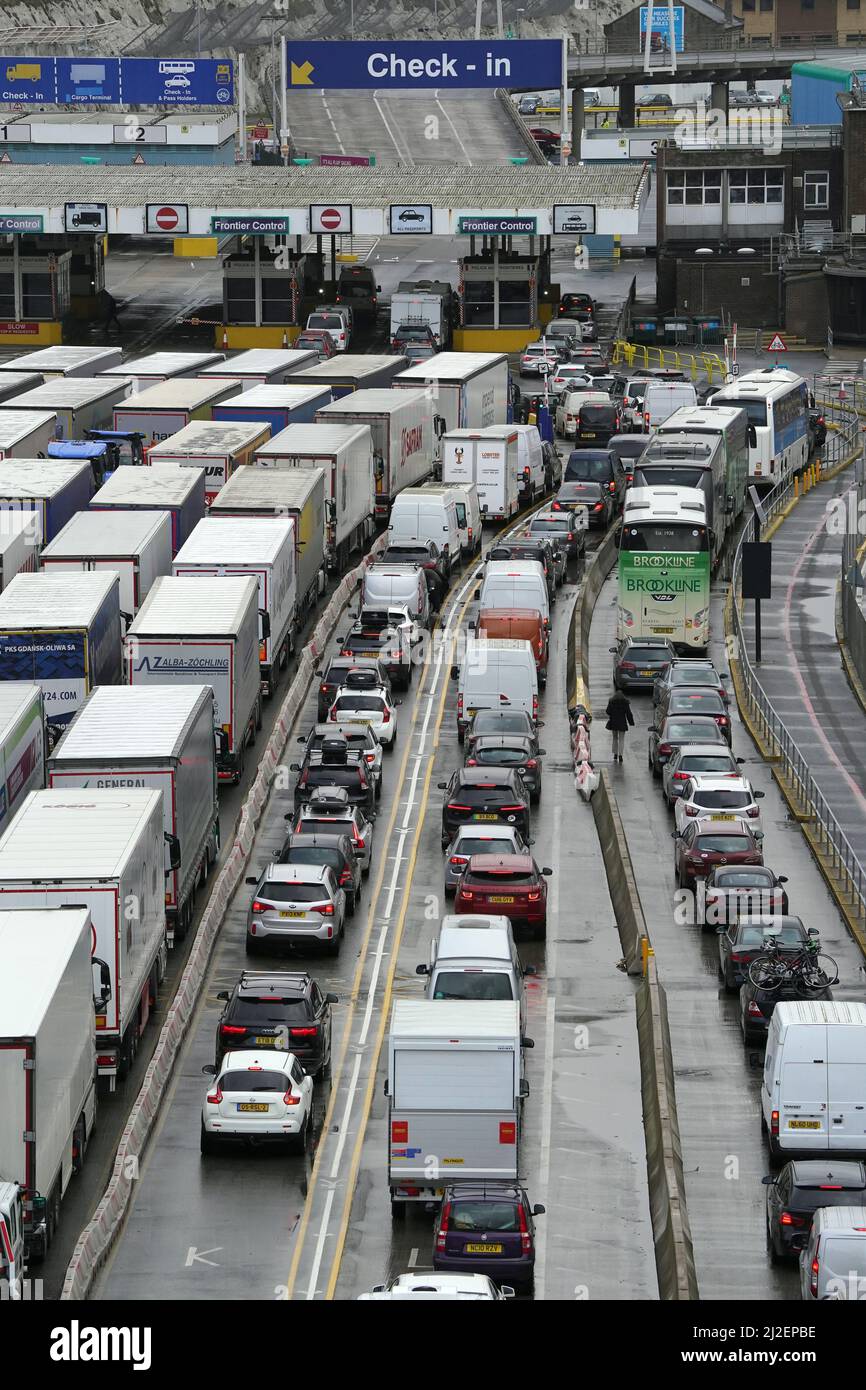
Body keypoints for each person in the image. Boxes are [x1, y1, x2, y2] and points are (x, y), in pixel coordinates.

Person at [605, 688, 634, 763]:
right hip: (622, 723)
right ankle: (620, 755)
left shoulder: (611, 701)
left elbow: (608, 711)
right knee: (621, 739)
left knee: (615, 738)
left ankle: (615, 754)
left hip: (614, 723)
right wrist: (631, 722)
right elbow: (628, 713)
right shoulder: (625, 702)